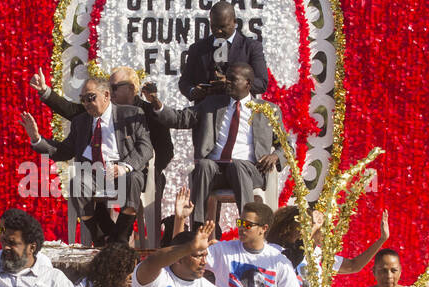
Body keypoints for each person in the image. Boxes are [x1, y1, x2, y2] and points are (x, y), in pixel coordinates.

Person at [21, 76, 153, 246]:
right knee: (77, 184)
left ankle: (118, 237)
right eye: (83, 99)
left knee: (133, 179)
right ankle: (99, 237)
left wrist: (124, 167)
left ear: (106, 95)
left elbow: (146, 147)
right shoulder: (81, 122)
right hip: (94, 175)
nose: (86, 103)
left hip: (123, 171)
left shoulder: (131, 114)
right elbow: (63, 151)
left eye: (90, 97)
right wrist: (37, 139)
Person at [151, 64, 284, 222]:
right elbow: (181, 118)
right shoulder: (212, 104)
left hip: (250, 170)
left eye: (233, 79)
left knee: (238, 165)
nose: (227, 82)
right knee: (204, 165)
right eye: (227, 78)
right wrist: (156, 104)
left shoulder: (267, 110)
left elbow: (286, 145)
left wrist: (275, 156)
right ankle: (198, 230)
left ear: (248, 83)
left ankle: (248, 227)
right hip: (217, 170)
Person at [30, 64, 175, 207]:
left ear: (131, 88)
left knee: (139, 182)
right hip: (101, 174)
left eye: (114, 88)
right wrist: (45, 92)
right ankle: (102, 227)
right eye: (108, 88)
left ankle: (124, 228)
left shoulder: (150, 113)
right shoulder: (100, 110)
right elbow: (71, 110)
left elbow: (165, 151)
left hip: (139, 172)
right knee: (87, 186)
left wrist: (140, 169)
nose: (109, 92)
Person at [179, 0, 268, 100]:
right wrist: (193, 91)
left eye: (222, 26)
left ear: (235, 22)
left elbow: (261, 83)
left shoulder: (251, 47)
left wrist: (231, 83)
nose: (218, 31)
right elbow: (184, 82)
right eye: (213, 26)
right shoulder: (197, 48)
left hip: (238, 112)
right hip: (205, 112)